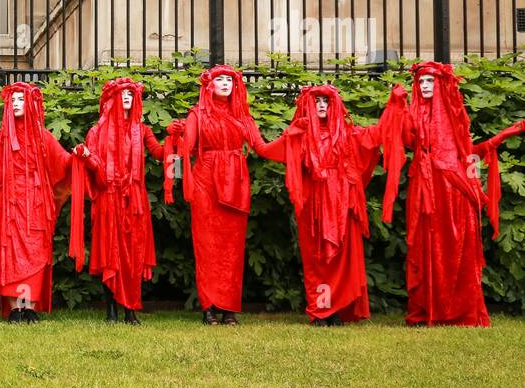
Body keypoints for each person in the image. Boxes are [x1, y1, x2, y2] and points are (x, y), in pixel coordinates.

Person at [381, 61, 525, 327]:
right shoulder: (413, 112)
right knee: (426, 247)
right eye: (421, 81)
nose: (424, 86)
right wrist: (397, 106)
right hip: (425, 187)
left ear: (441, 85)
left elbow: (466, 151)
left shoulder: (453, 114)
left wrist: (499, 138)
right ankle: (428, 309)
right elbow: (403, 139)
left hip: (452, 189)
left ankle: (456, 310)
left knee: (453, 247)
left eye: (430, 81)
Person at [247, 85, 385, 325]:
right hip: (313, 205)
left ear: (335, 105)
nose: (321, 105)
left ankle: (338, 309)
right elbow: (268, 151)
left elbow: (375, 138)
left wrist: (394, 108)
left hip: (343, 203)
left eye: (326, 101)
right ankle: (321, 310)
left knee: (341, 257)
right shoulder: (300, 133)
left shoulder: (348, 133)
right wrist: (267, 130)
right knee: (316, 258)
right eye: (317, 101)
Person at [164, 66, 263, 325]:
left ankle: (229, 309)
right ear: (209, 85)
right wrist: (173, 166)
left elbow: (261, 147)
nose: (225, 83)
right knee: (207, 248)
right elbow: (185, 149)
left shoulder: (243, 115)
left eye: (229, 79)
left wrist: (295, 138)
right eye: (219, 79)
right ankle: (208, 308)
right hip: (205, 184)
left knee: (232, 249)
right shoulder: (197, 114)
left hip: (236, 185)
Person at [70, 77, 168, 325]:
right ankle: (111, 310)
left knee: (134, 253)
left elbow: (159, 153)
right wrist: (87, 156)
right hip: (108, 197)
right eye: (122, 93)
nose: (127, 97)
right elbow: (95, 169)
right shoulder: (96, 132)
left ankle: (130, 310)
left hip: (134, 200)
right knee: (110, 253)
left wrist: (176, 140)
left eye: (131, 94)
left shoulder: (141, 130)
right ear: (110, 99)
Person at [0, 82, 71, 322]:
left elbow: (62, 161)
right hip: (11, 203)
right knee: (11, 252)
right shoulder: (2, 136)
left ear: (30, 103)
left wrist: (79, 159)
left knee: (35, 251)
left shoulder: (42, 135)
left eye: (20, 99)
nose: (16, 104)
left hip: (36, 202)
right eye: (13, 100)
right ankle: (15, 307)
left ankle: (29, 306)